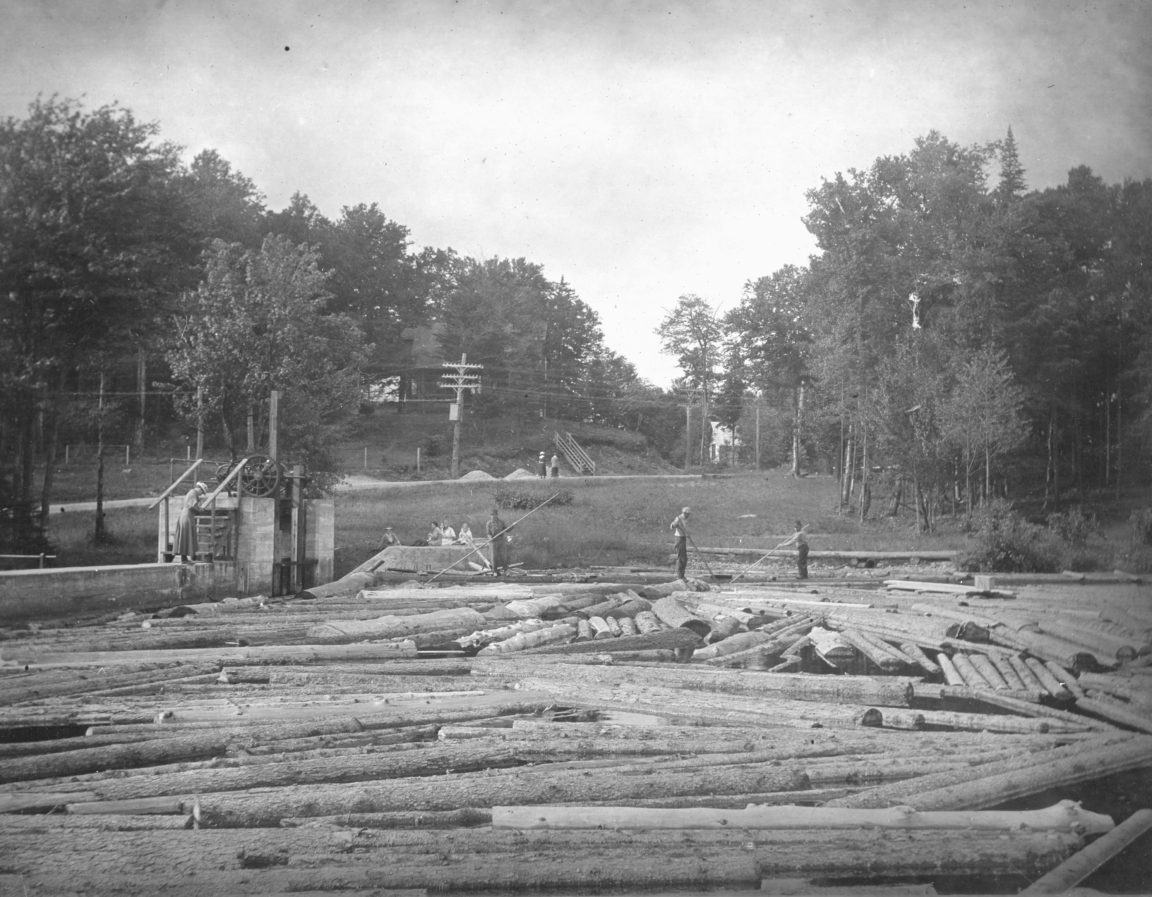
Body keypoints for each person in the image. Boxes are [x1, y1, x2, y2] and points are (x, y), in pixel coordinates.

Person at [173, 481, 207, 563]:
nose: (201, 494)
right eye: (202, 492)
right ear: (199, 489)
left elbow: (192, 504)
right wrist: (200, 509)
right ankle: (184, 558)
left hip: (185, 515)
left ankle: (185, 557)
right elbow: (193, 505)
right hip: (187, 516)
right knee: (186, 536)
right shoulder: (193, 493)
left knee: (184, 536)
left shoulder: (191, 493)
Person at [486, 507, 511, 575]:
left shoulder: (501, 522)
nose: (493, 516)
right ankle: (495, 571)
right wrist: (490, 537)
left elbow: (506, 529)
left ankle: (506, 570)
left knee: (503, 556)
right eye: (492, 515)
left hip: (501, 540)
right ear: (490, 516)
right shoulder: (489, 523)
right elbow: (488, 533)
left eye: (494, 515)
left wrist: (511, 527)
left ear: (497, 515)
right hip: (493, 542)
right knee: (494, 557)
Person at [670, 506, 691, 580]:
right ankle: (679, 576)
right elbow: (672, 526)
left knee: (684, 558)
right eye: (688, 514)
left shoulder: (685, 519)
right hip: (679, 538)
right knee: (681, 557)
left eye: (689, 514)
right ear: (684, 513)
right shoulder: (679, 518)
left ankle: (682, 575)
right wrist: (675, 525)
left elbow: (685, 529)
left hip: (683, 537)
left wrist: (687, 534)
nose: (689, 515)